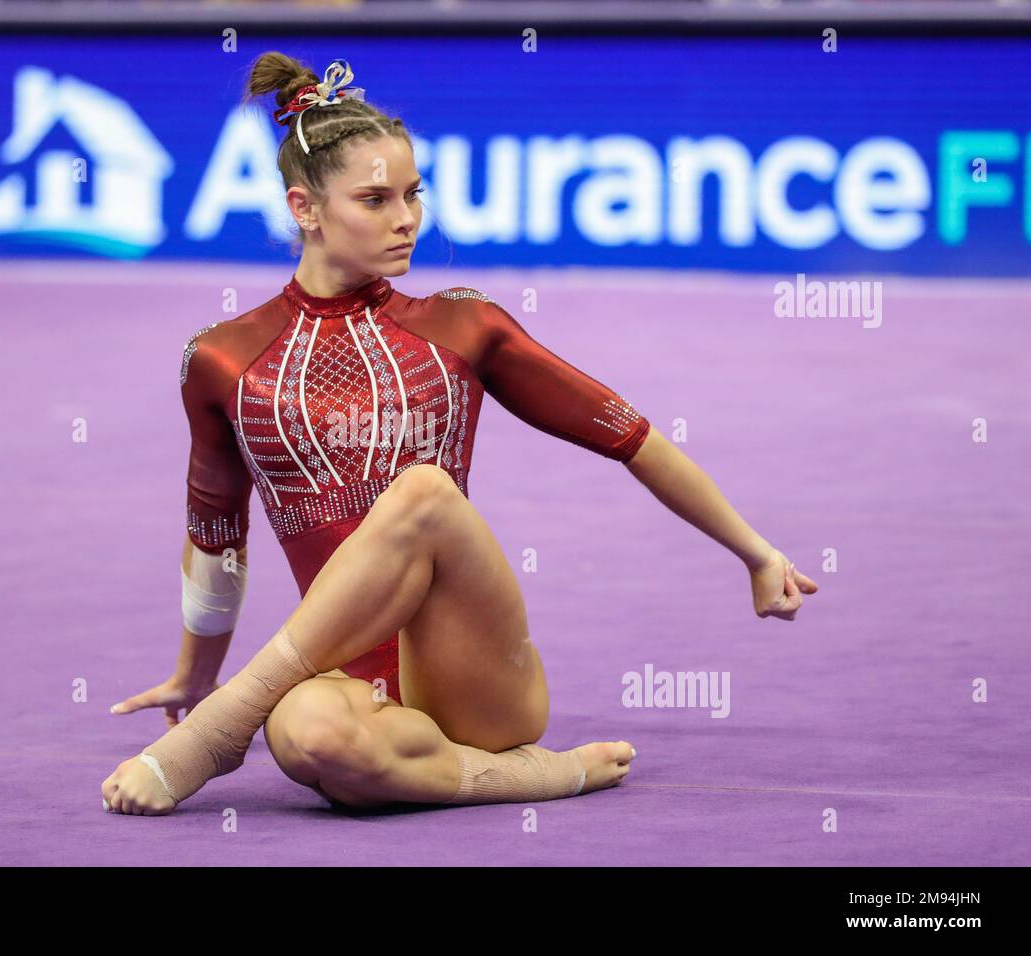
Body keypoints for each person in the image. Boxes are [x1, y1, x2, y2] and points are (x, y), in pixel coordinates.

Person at [102, 54, 818, 815]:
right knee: (306, 737)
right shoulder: (222, 359)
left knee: (423, 491)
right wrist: (191, 673)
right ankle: (535, 776)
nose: (406, 218)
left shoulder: (462, 325)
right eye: (375, 199)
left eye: (414, 195)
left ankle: (220, 731)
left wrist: (755, 550)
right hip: (351, 688)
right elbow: (216, 534)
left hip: (478, 681)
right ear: (305, 208)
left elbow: (630, 436)